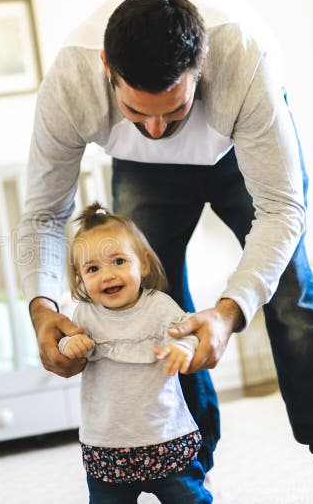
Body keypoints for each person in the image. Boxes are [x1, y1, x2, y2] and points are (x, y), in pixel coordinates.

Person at [17, 0, 313, 503]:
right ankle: (193, 472)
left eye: (173, 112)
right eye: (138, 111)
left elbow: (282, 208)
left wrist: (228, 311)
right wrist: (42, 310)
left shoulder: (244, 59)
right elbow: (44, 213)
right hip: (144, 175)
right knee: (151, 311)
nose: (157, 130)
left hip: (240, 157)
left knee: (290, 295)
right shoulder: (70, 83)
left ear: (202, 67)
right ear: (108, 68)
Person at [60, 202, 211, 503]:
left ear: (142, 264)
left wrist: (183, 346)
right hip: (107, 445)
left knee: (188, 498)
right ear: (80, 279)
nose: (107, 275)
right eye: (93, 268)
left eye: (118, 261)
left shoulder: (159, 305)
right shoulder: (85, 315)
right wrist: (69, 346)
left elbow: (190, 332)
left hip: (165, 436)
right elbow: (67, 347)